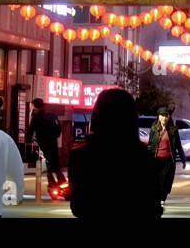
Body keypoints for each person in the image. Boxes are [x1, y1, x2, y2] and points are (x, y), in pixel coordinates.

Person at [68, 89, 160, 219]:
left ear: (97, 115)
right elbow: (152, 207)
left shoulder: (80, 156)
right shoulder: (144, 157)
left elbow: (78, 207)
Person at [149, 107, 186, 209]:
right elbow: (150, 144)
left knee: (165, 180)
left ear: (169, 117)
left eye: (166, 115)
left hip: (169, 160)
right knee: (156, 180)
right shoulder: (154, 128)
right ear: (158, 116)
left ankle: (162, 198)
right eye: (162, 115)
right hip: (156, 159)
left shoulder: (173, 130)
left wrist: (183, 159)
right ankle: (158, 198)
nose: (164, 118)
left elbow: (178, 145)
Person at [28, 98, 65, 187]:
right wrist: (56, 135)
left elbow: (31, 130)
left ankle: (53, 183)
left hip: (43, 142)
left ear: (35, 105)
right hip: (53, 141)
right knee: (55, 163)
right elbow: (59, 127)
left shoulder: (36, 117)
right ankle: (62, 182)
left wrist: (28, 140)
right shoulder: (52, 115)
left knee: (48, 163)